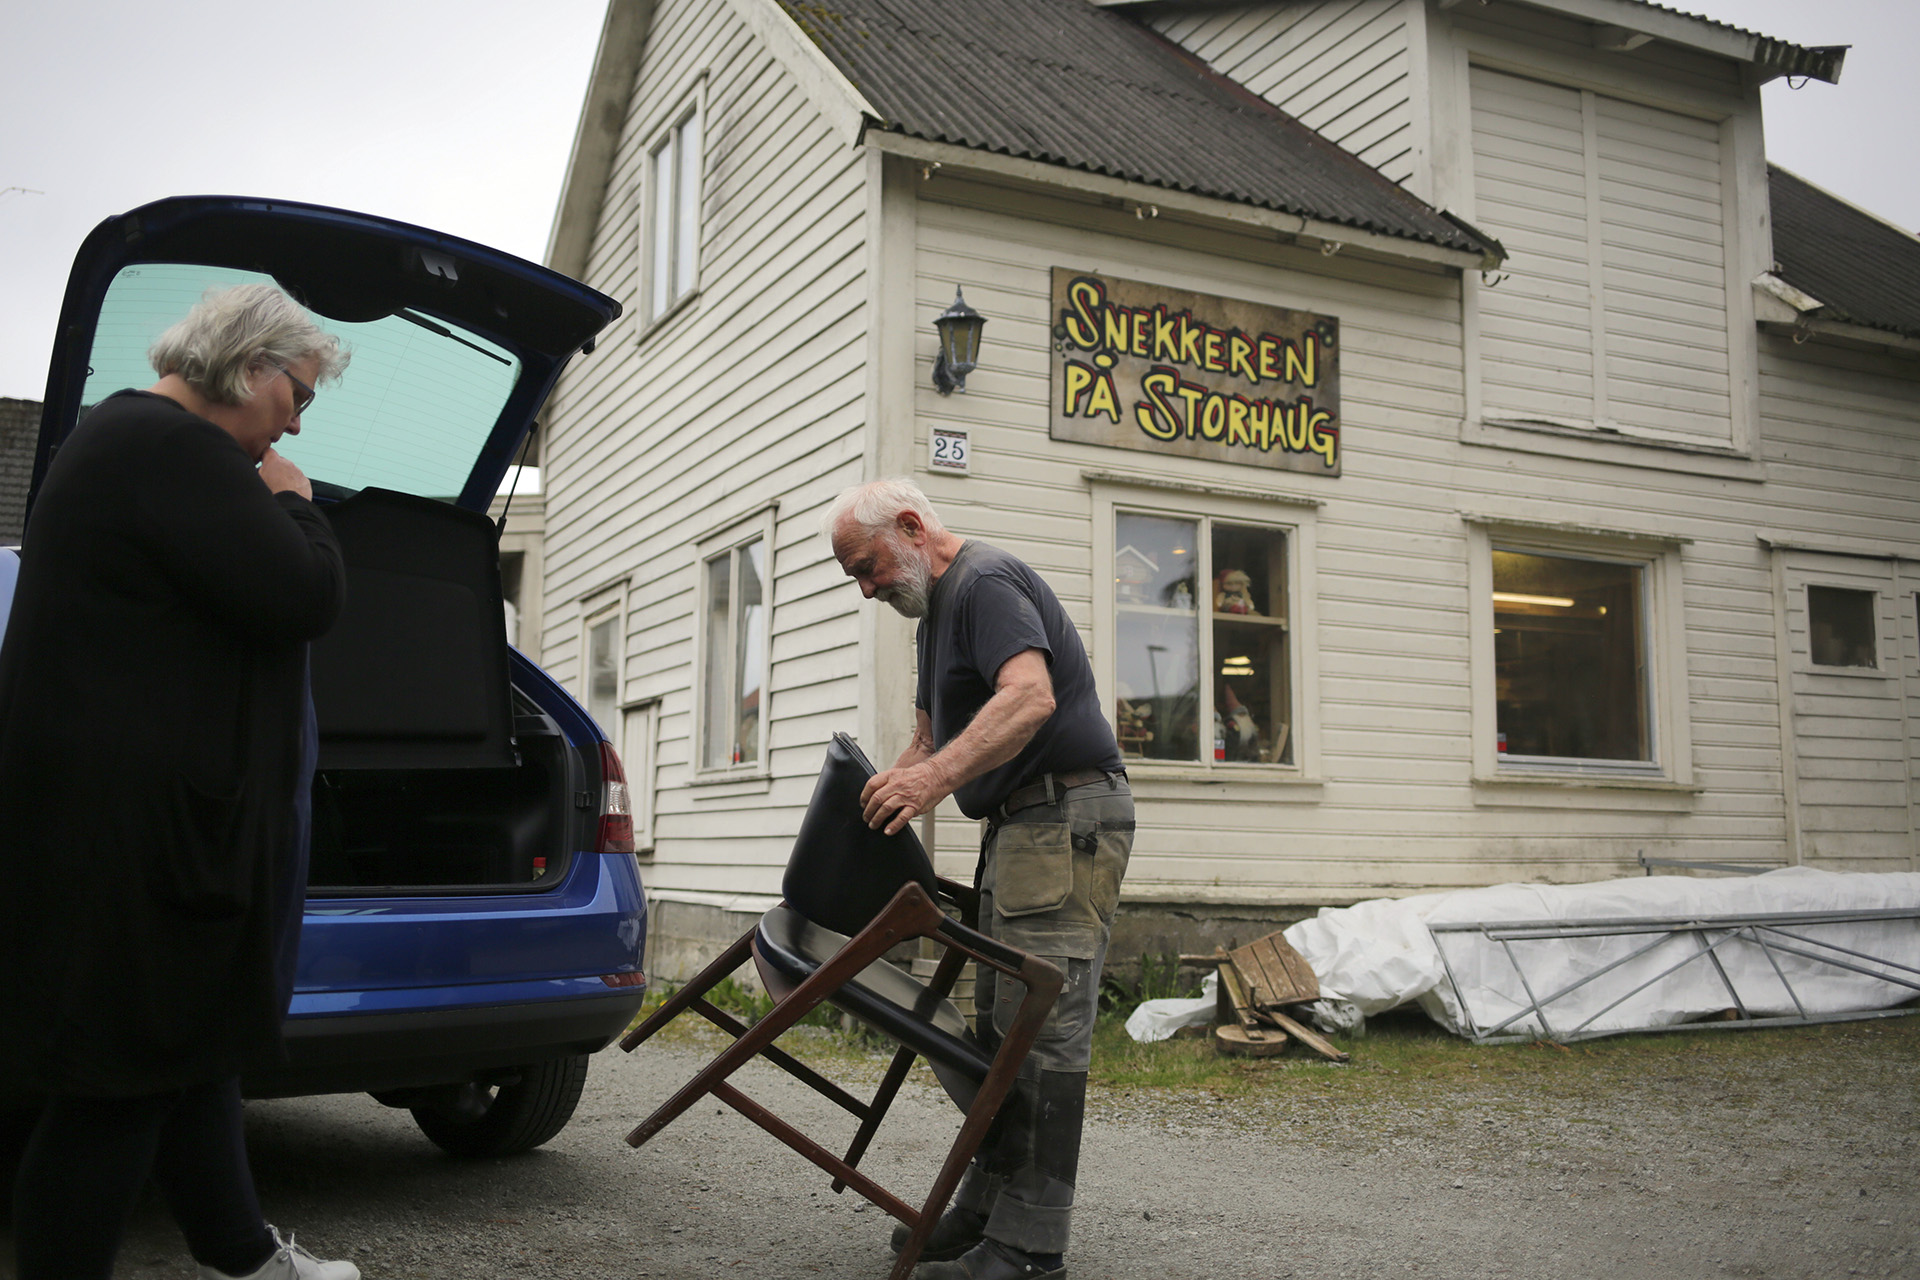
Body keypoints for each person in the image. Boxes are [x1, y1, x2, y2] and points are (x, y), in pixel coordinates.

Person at [0, 285, 359, 1280]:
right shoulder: (169, 449)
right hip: (126, 851)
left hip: (128, 837)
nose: (296, 418)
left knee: (188, 1050)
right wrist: (297, 501)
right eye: (299, 392)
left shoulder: (129, 444)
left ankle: (242, 1253)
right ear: (249, 366)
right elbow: (303, 592)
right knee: (112, 1096)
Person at [825, 478, 1132, 1280]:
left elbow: (1030, 698)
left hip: (1065, 819)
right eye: (854, 576)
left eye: (868, 566)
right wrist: (883, 794)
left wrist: (929, 785)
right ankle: (991, 1207)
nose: (866, 588)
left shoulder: (984, 581)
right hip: (1019, 827)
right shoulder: (934, 618)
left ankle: (1030, 1251)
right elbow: (929, 738)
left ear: (912, 526)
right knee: (990, 1029)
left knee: (1044, 1035)